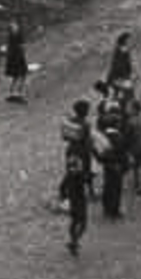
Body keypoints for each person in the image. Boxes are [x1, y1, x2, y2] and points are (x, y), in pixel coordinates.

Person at [60, 99, 95, 256]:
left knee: (75, 217)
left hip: (72, 174)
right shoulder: (85, 127)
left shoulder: (71, 125)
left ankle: (73, 239)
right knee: (82, 219)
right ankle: (74, 241)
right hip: (79, 184)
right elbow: (87, 157)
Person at [3, 19, 29, 103]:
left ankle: (11, 93)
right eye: (14, 26)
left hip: (12, 59)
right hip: (18, 58)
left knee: (16, 77)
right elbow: (23, 47)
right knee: (22, 75)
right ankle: (18, 94)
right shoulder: (18, 35)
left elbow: (9, 48)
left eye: (16, 26)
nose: (16, 27)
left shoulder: (10, 36)